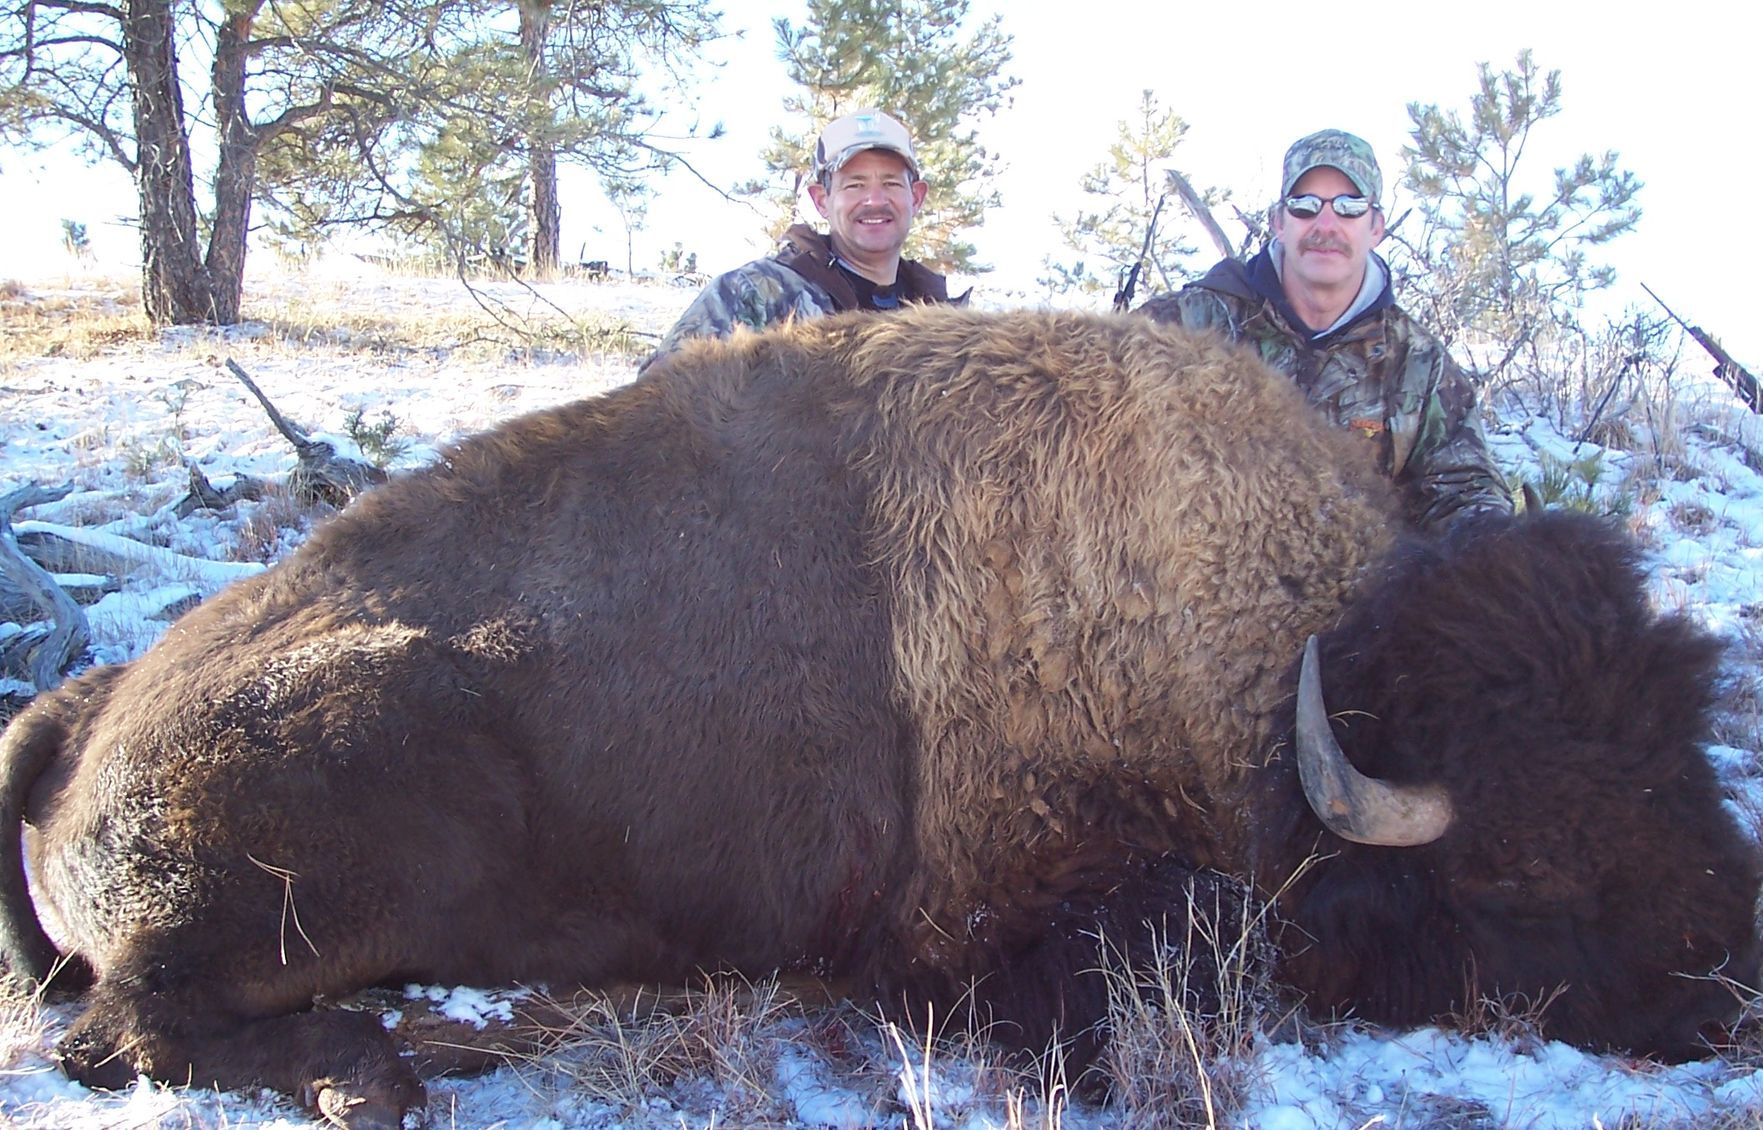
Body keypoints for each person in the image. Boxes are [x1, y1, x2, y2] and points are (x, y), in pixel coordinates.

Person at [1139, 129, 1512, 532]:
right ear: (1279, 222)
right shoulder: (1185, 326)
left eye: (1350, 206)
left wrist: (1490, 550)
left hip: (1357, 589)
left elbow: (1463, 491)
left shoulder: (1417, 364)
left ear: (1376, 226)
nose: (1326, 223)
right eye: (1305, 205)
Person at [643, 109, 962, 371]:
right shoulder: (753, 294)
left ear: (916, 197)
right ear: (822, 200)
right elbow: (654, 400)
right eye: (855, 185)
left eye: (891, 183)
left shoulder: (947, 325)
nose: (874, 200)